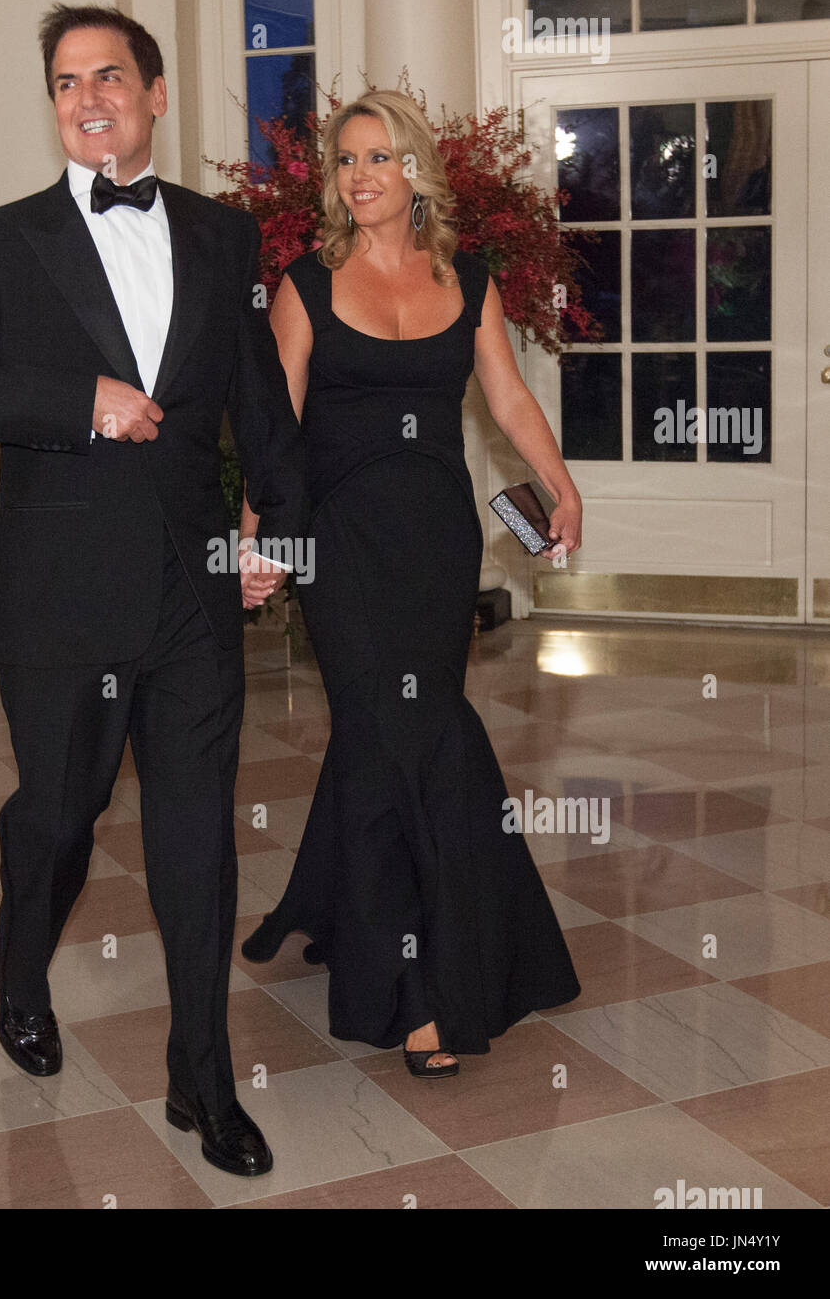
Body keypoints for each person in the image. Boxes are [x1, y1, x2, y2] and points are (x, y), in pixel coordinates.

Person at [0, 5, 306, 1178]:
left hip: (192, 595)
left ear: (155, 94)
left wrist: (280, 529)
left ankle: (202, 1081)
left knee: (194, 839)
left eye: (109, 76)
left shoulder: (228, 240)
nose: (87, 99)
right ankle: (22, 969)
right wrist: (79, 401)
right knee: (60, 819)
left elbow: (262, 408)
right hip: (61, 599)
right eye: (66, 83)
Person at [241, 91, 582, 1075]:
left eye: (378, 158)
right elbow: (274, 432)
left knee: (405, 731)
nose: (358, 175)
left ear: (413, 171)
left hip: (435, 540)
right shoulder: (303, 287)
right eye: (345, 161)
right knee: (397, 736)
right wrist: (255, 545)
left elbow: (507, 397)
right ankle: (419, 987)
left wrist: (558, 484)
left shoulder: (463, 280)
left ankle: (353, 909)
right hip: (343, 548)